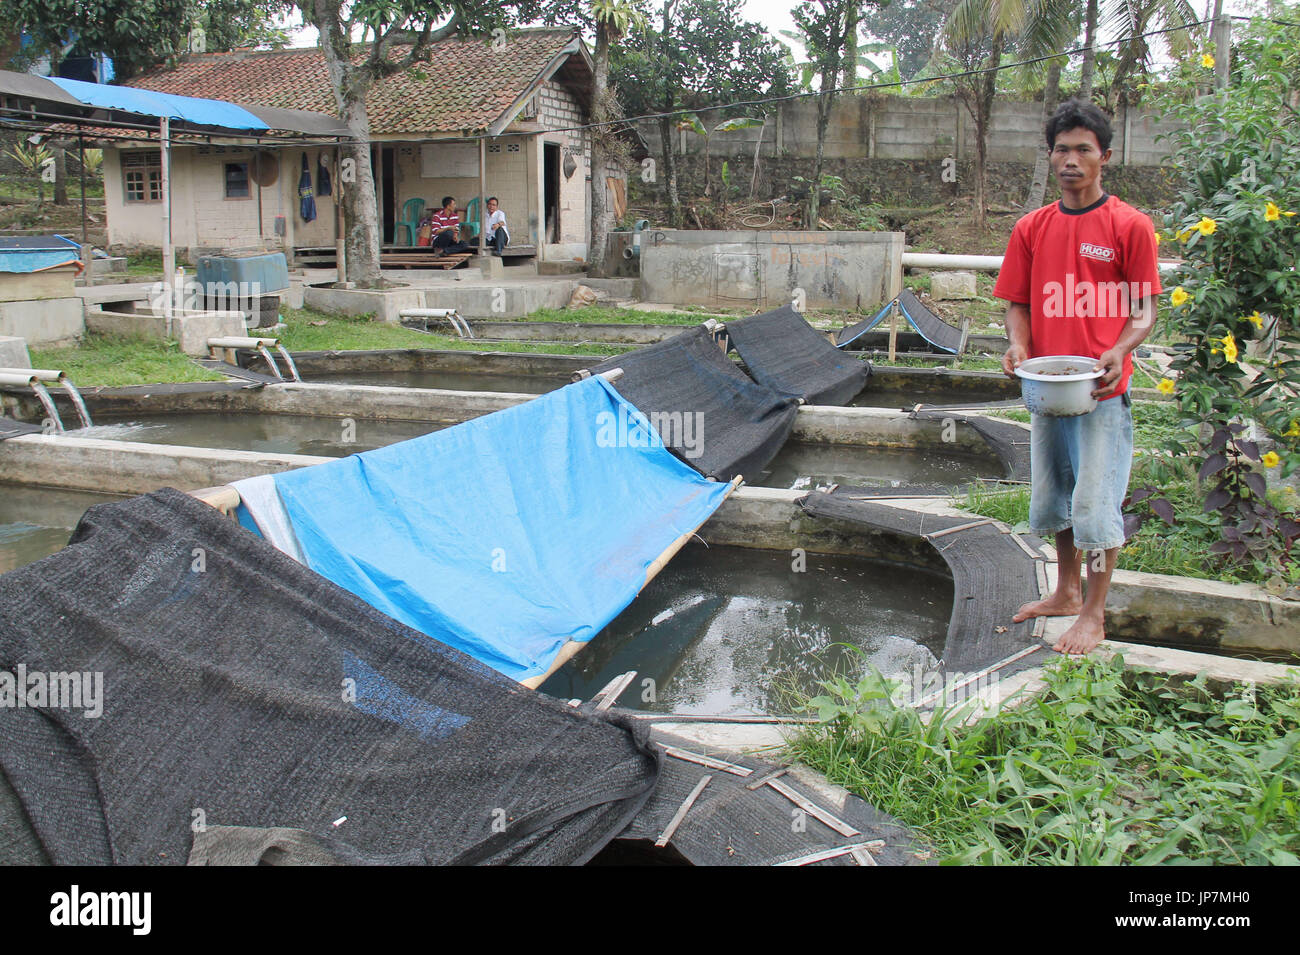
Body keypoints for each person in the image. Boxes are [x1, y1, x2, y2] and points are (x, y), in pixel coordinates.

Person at [993, 98, 1162, 656]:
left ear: (1104, 157)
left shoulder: (1129, 226)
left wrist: (1120, 349)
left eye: (1082, 149)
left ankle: (1093, 612)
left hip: (1100, 391)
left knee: (1094, 504)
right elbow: (1017, 301)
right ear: (1050, 157)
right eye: (1061, 149)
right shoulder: (1031, 228)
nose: (1071, 159)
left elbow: (1144, 310)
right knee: (1056, 498)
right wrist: (1019, 343)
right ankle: (1065, 590)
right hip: (1047, 387)